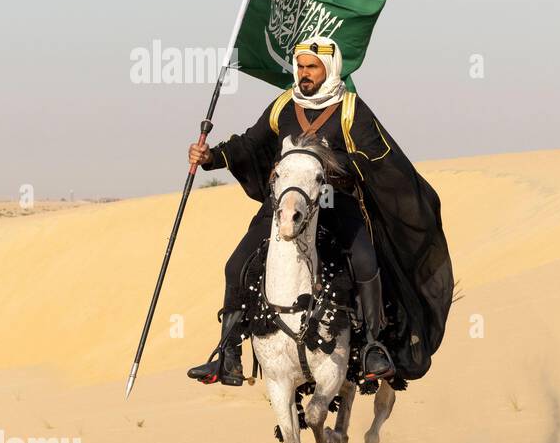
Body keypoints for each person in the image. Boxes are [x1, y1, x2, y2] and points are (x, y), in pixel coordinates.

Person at [185, 35, 453, 387]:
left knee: (365, 261)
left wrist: (333, 163)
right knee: (237, 264)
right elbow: (251, 144)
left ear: (330, 68)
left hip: (334, 202)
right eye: (299, 66)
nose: (304, 73)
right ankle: (229, 353)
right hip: (284, 202)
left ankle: (373, 345)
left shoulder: (350, 108)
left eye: (311, 67)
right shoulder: (284, 104)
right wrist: (211, 157)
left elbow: (377, 158)